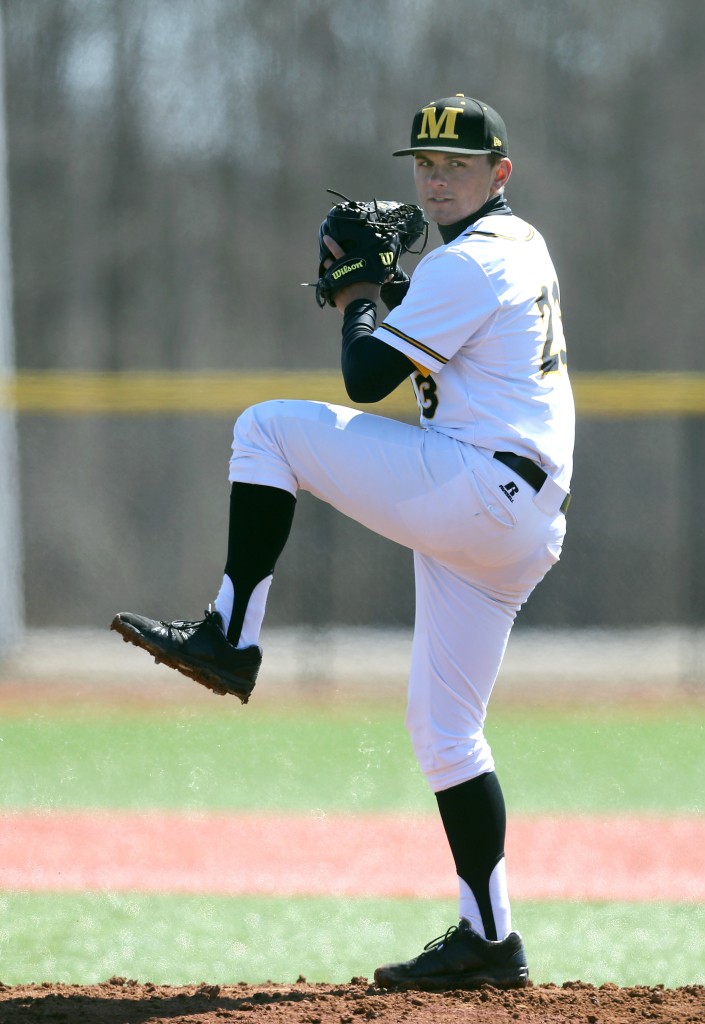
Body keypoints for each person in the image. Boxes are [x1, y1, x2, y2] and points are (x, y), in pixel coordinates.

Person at [111, 94, 575, 991]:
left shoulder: (475, 262)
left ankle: (230, 638)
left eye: (459, 167)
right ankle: (490, 939)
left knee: (268, 431)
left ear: (500, 174)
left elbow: (365, 377)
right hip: (517, 520)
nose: (437, 180)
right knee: (446, 733)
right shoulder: (516, 249)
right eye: (425, 165)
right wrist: (387, 292)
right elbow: (439, 333)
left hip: (480, 488)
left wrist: (363, 290)